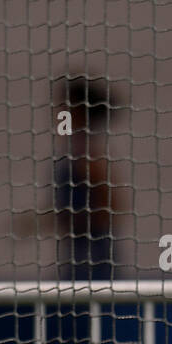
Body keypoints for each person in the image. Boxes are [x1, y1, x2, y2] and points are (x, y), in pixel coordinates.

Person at [52, 75, 126, 282]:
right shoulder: (74, 153)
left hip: (93, 256)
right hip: (77, 254)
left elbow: (111, 206)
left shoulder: (88, 157)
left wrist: (75, 219)